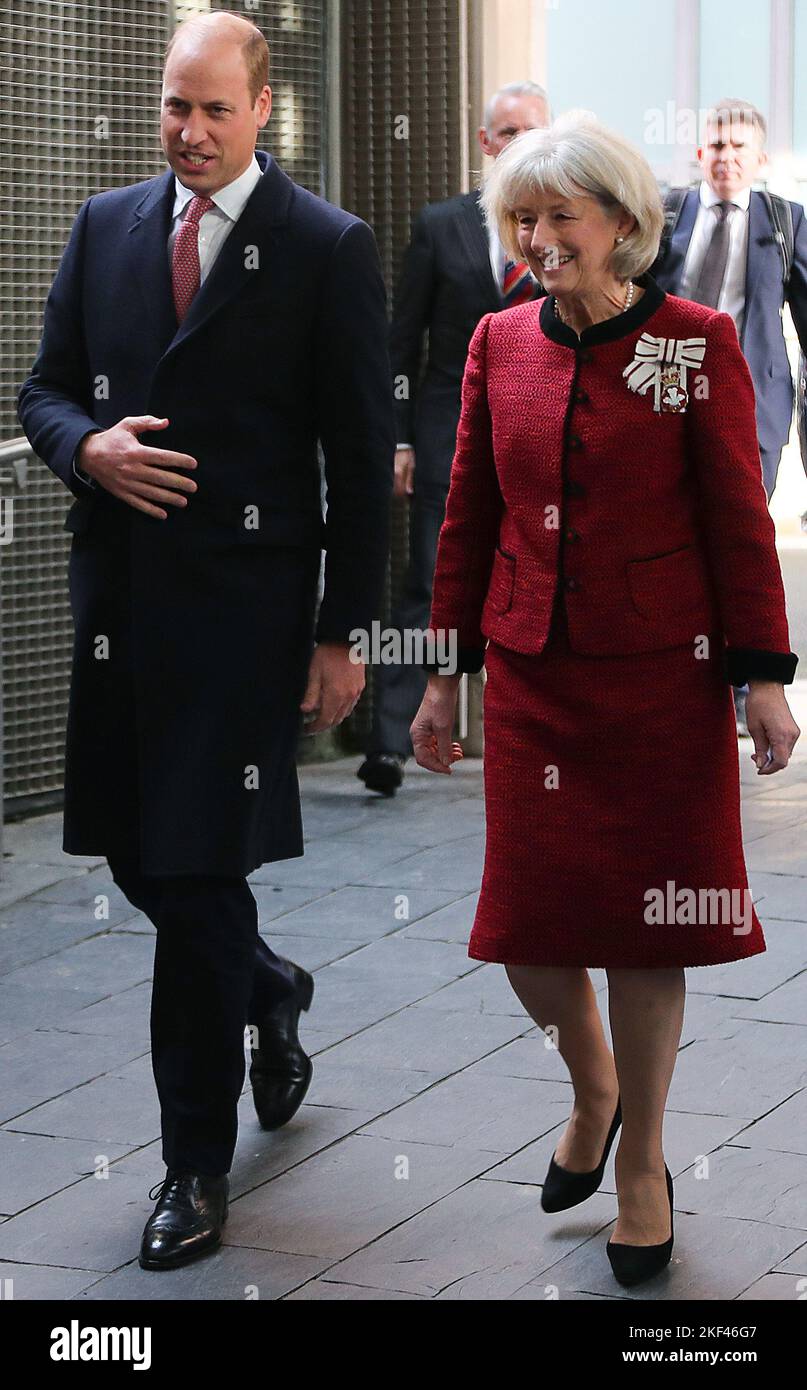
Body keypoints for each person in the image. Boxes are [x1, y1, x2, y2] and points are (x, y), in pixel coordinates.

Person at [17, 11, 394, 1271]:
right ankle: (270, 986)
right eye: (175, 106)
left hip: (245, 623)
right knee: (144, 858)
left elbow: (359, 462)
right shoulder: (105, 226)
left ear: (263, 109)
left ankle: (193, 1164)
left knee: (193, 880)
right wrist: (88, 448)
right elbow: (43, 388)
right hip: (120, 616)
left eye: (213, 110)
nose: (187, 131)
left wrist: (345, 634)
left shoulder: (326, 247)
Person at [411, 112, 800, 1288]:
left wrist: (763, 677)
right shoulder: (497, 341)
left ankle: (643, 1164)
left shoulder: (692, 342)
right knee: (527, 931)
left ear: (621, 222)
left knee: (647, 927)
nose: (538, 238)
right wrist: (443, 674)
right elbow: (467, 514)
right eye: (521, 219)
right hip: (533, 675)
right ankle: (594, 1089)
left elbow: (736, 518)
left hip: (660, 680)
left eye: (559, 217)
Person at [357, 81, 549, 796]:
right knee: (430, 583)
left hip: (539, 432)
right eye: (506, 132)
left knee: (538, 580)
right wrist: (401, 440)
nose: (517, 143)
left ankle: (533, 740)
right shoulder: (440, 225)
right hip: (449, 431)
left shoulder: (563, 226)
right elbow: (401, 343)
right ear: (484, 143)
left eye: (530, 131)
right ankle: (390, 742)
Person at [651, 97, 807, 737]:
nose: (727, 157)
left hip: (751, 403)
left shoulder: (784, 220)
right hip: (668, 394)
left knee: (741, 536)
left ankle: (745, 683)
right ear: (700, 152)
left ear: (759, 158)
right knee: (668, 531)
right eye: (717, 145)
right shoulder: (669, 213)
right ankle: (679, 670)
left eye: (740, 147)